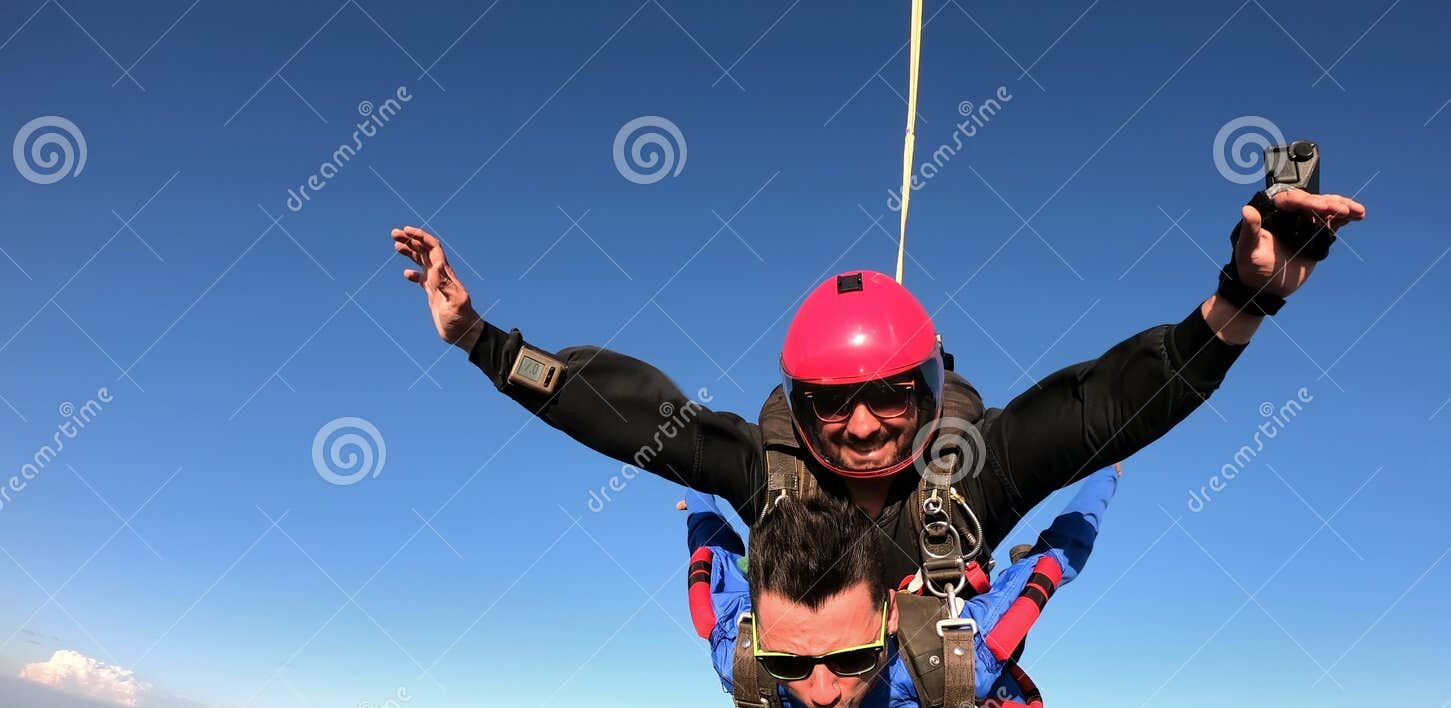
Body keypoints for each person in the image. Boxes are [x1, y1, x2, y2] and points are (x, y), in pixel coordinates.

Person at [391, 175, 1361, 591]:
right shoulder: (767, 474)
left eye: (888, 396)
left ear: (929, 391)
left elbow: (1112, 402)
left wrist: (1245, 294)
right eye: (830, 403)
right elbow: (622, 412)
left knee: (1092, 463)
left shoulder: (972, 473)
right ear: (798, 405)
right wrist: (479, 337)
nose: (858, 425)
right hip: (811, 701)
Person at [679, 465, 1120, 708]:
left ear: (891, 616)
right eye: (789, 664)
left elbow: (1056, 558)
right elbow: (710, 553)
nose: (824, 694)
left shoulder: (959, 654)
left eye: (851, 658)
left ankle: (974, 581)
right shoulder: (744, 654)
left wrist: (1103, 476)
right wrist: (697, 490)